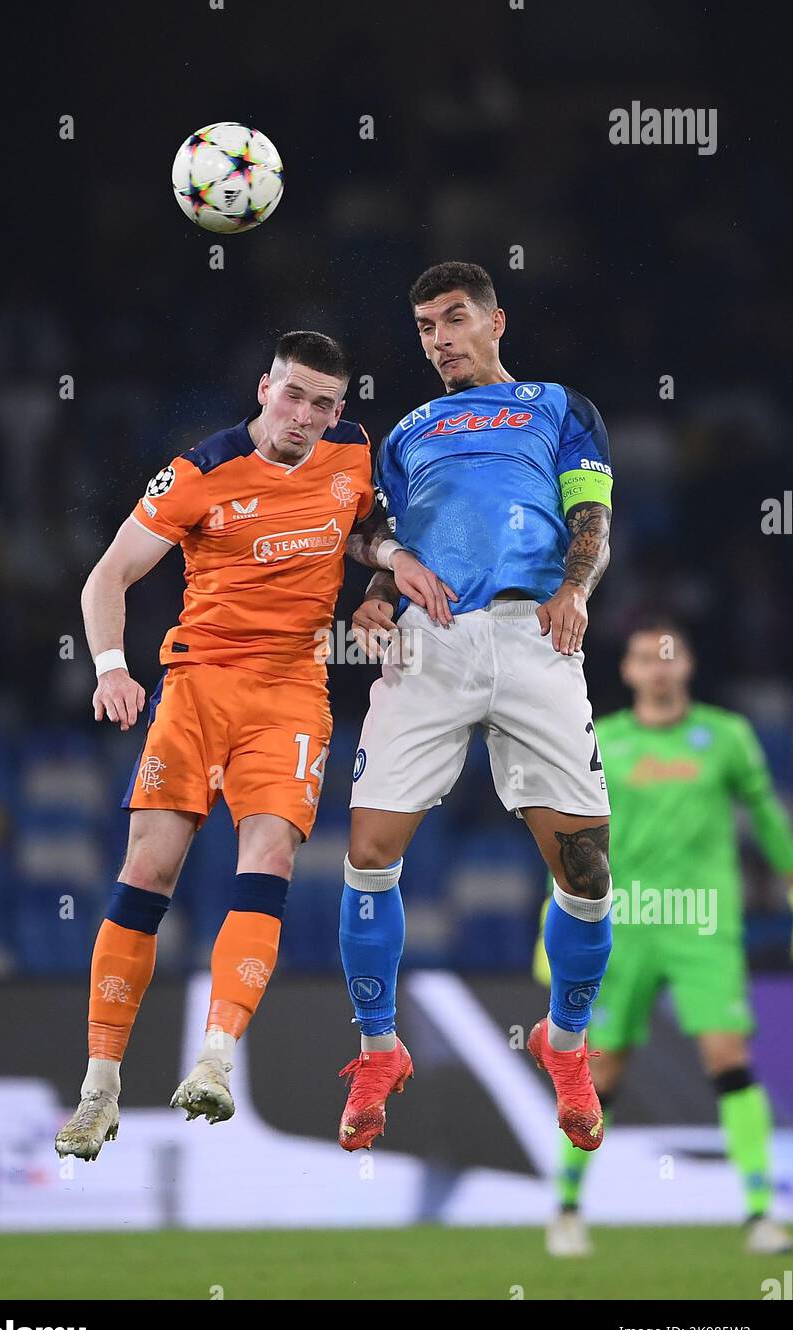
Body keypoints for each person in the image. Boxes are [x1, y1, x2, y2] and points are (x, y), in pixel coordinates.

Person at [54, 330, 448, 1161]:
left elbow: (359, 532)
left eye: (323, 403)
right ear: (264, 387)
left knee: (266, 862)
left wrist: (395, 560)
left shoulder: (351, 455)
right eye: (292, 394)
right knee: (147, 873)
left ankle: (215, 1060)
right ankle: (99, 1089)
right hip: (196, 685)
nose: (304, 415)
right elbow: (107, 577)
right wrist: (112, 669)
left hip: (292, 695)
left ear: (340, 411)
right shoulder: (200, 471)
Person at [336, 261, 615, 1153]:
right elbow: (387, 538)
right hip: (432, 640)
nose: (440, 339)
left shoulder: (558, 407)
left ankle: (563, 1046)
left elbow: (592, 521)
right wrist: (378, 591)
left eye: (454, 319)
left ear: (498, 320)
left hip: (537, 633)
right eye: (424, 327)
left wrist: (576, 592)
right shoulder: (406, 431)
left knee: (585, 872)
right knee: (368, 851)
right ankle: (380, 1052)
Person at [535, 619, 793, 1255]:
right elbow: (575, 838)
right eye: (644, 660)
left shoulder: (726, 737)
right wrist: (554, 920)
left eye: (668, 657)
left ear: (686, 666)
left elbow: (765, 813)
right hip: (619, 925)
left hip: (704, 924)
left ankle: (761, 1213)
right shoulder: (603, 740)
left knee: (728, 1060)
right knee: (602, 1074)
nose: (657, 669)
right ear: (627, 672)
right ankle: (566, 1210)